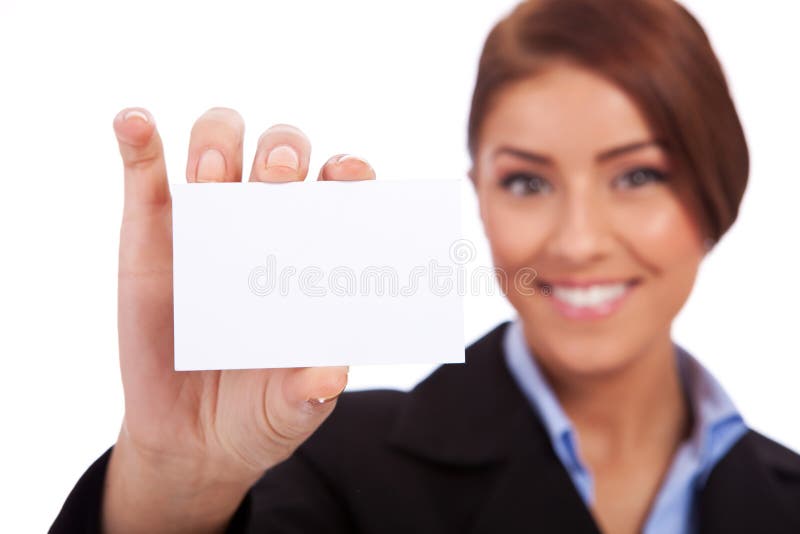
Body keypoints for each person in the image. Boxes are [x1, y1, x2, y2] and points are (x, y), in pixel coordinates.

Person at [51, 0, 800, 533]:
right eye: (527, 182)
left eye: (637, 176)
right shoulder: (330, 468)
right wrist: (170, 489)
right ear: (478, 199)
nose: (577, 241)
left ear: (716, 188)